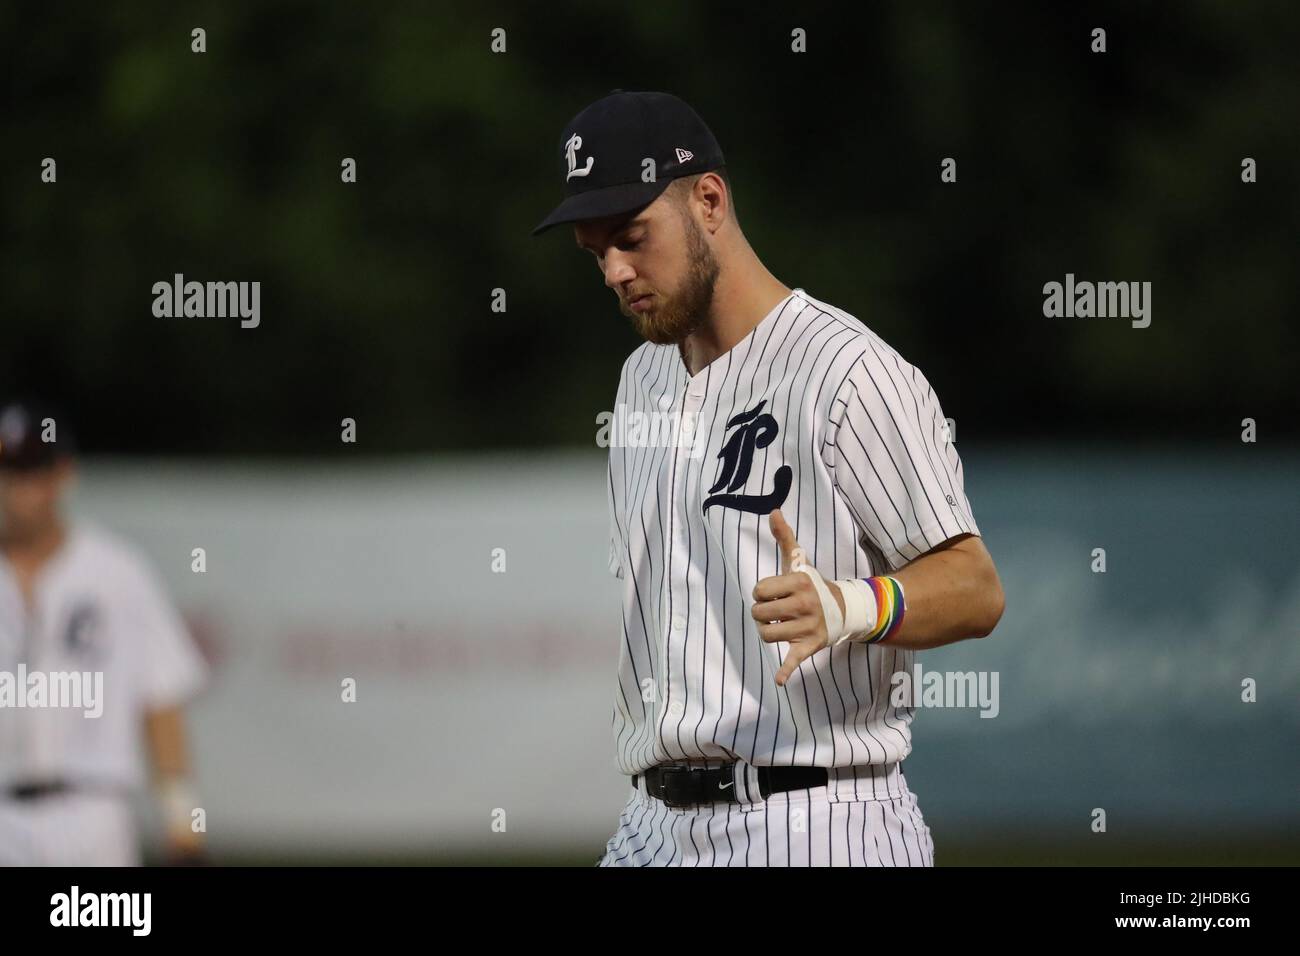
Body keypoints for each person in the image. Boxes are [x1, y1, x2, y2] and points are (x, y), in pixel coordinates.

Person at [533, 90, 1006, 866]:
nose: (614, 271)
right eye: (595, 252)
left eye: (631, 237)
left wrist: (855, 603)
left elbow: (976, 587)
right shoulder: (639, 381)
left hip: (815, 819)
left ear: (709, 200)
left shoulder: (847, 374)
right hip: (653, 824)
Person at [0, 401, 209, 865]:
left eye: (31, 468)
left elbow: (160, 701)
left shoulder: (117, 573)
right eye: (8, 470)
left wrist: (184, 819)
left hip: (94, 813)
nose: (17, 487)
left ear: (63, 474)